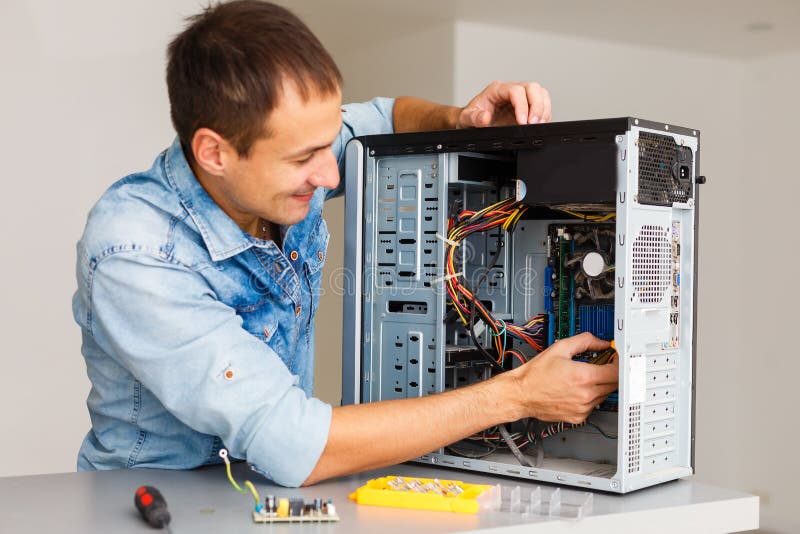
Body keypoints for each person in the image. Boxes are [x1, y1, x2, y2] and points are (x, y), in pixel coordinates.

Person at [73, 0, 618, 487]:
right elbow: (293, 442)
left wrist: (457, 120)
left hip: (270, 494)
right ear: (214, 152)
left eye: (328, 140)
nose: (333, 176)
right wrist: (517, 394)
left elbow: (386, 117)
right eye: (302, 158)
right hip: (156, 503)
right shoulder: (137, 254)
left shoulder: (285, 147)